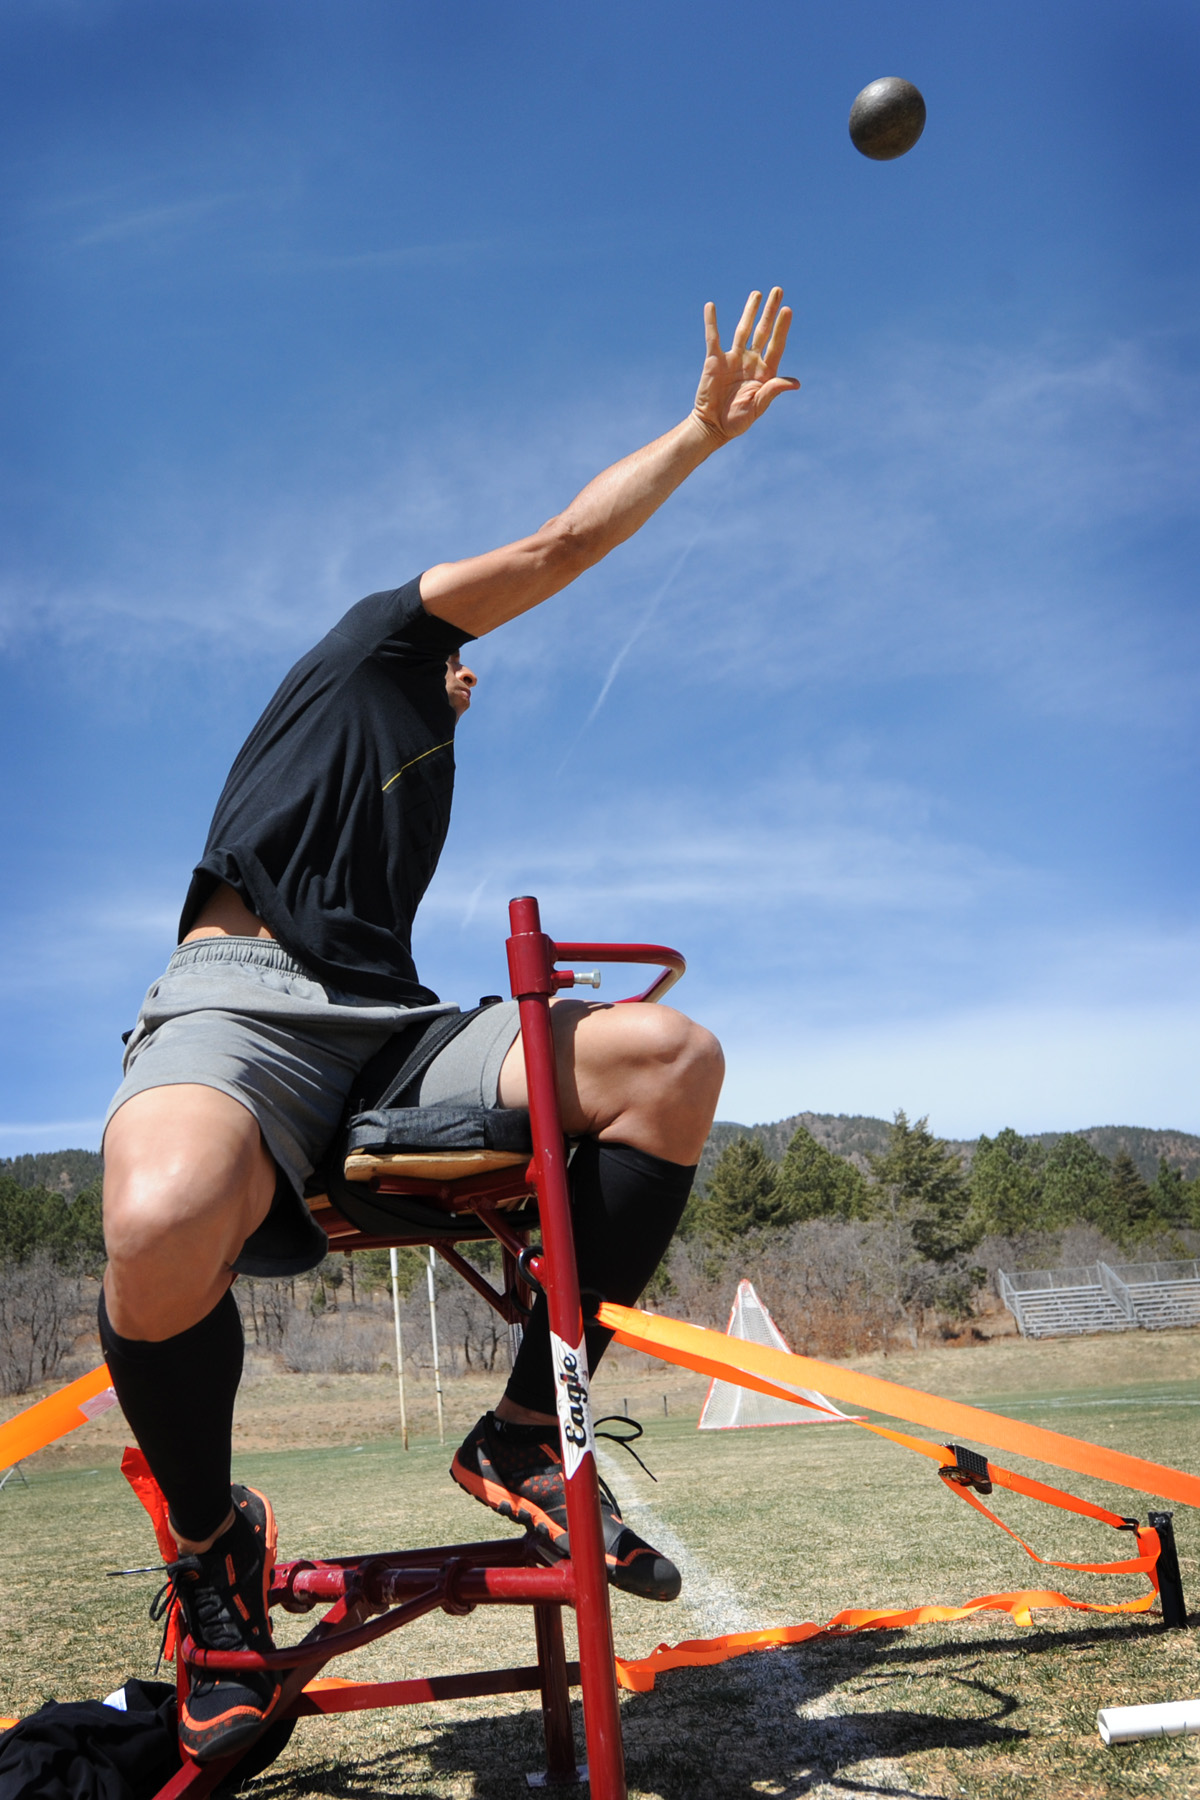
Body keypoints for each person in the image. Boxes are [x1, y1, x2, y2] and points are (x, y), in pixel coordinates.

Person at [99, 287, 800, 1762]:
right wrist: (698, 433)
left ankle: (528, 1435)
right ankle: (214, 1554)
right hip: (250, 1008)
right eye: (454, 659)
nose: (468, 671)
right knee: (158, 1216)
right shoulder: (368, 651)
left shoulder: (427, 748)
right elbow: (561, 543)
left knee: (670, 1058)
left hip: (396, 1028)